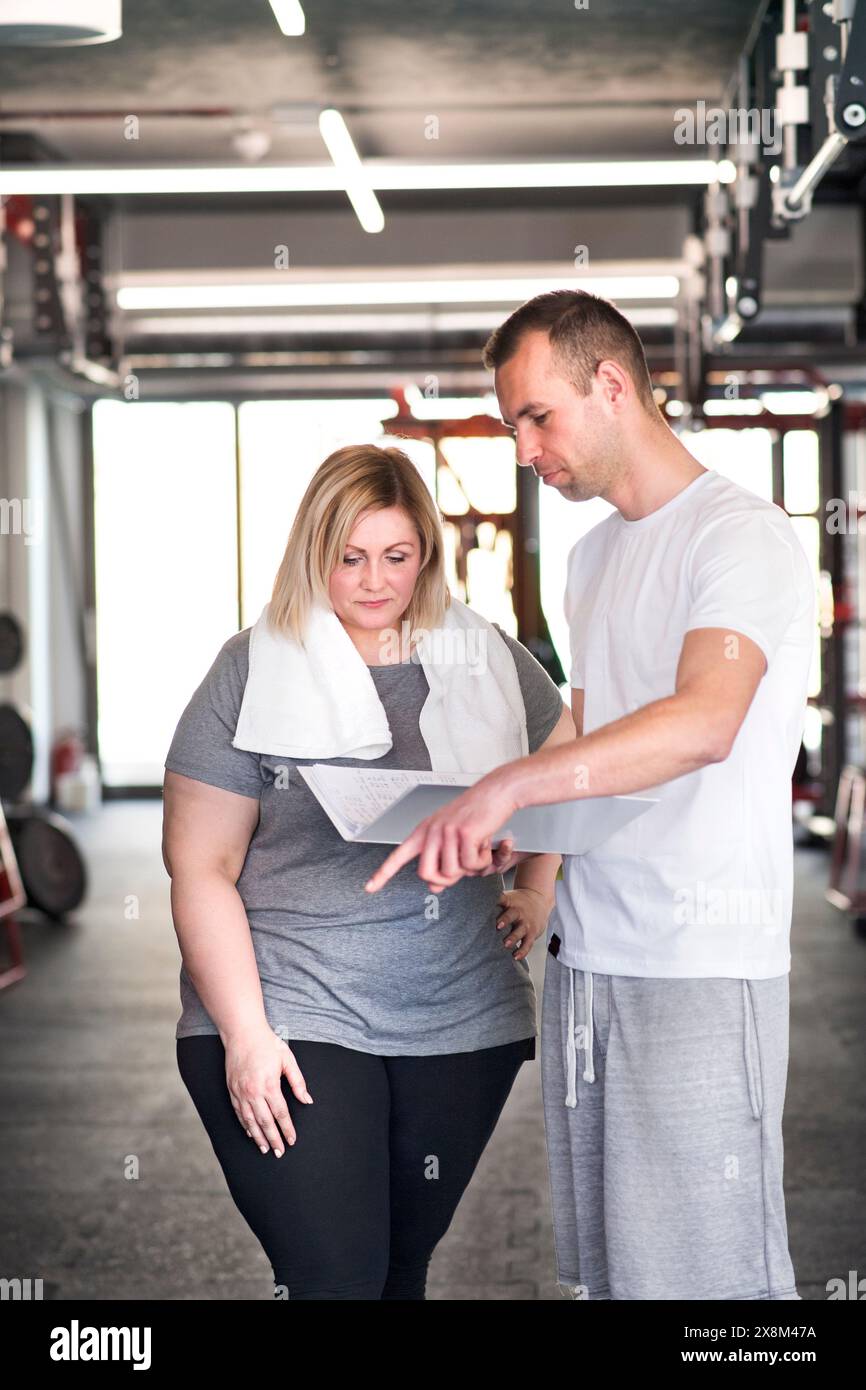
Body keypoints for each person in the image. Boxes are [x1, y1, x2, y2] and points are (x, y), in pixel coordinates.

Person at [366, 290, 817, 1301]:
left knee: (711, 1278)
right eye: (510, 423)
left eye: (535, 416)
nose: (523, 446)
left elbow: (704, 721)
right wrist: (524, 843)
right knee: (617, 1275)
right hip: (589, 956)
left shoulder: (736, 538)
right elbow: (583, 726)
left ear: (610, 384)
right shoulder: (593, 554)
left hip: (699, 963)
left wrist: (507, 784)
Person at [162, 442, 575, 1301]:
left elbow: (567, 764)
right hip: (291, 1008)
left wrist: (536, 885)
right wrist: (244, 1034)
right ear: (316, 551)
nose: (375, 581)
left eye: (397, 555)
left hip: (460, 1016)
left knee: (395, 1273)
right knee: (333, 1277)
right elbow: (200, 865)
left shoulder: (485, 657)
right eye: (350, 558)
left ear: (425, 551)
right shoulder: (250, 669)